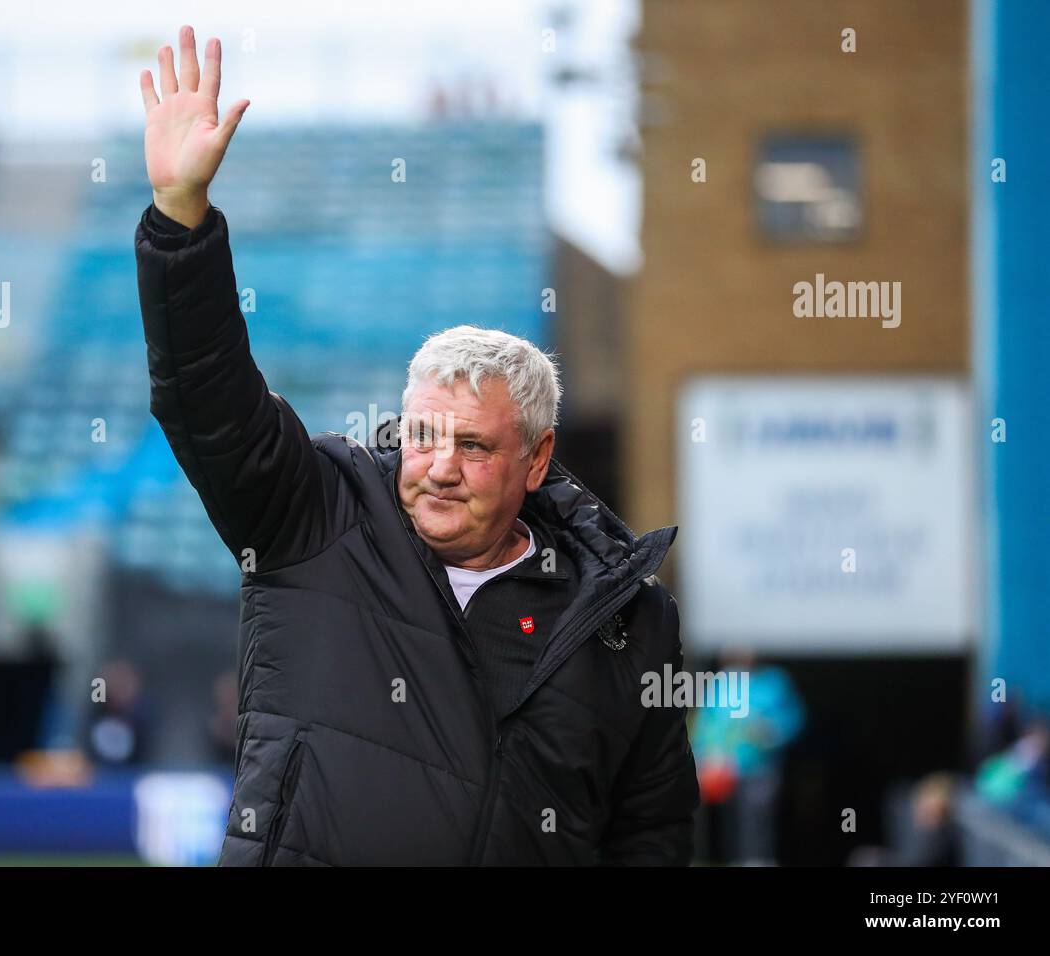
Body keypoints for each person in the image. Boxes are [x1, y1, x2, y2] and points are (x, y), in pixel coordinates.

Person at [134, 26, 699, 866]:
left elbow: (651, 836)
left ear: (537, 460)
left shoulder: (626, 621)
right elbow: (206, 399)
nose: (437, 467)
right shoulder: (315, 513)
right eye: (424, 436)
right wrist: (181, 221)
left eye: (473, 447)